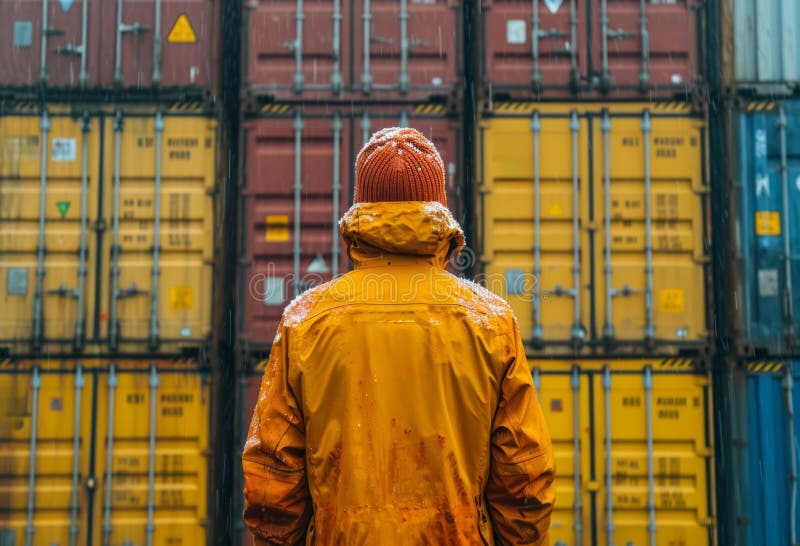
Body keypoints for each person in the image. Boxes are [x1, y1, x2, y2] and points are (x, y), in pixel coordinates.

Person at [242, 127, 555, 545]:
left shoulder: (305, 321)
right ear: (438, 210)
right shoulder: (491, 322)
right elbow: (525, 482)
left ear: (360, 212)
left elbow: (271, 485)